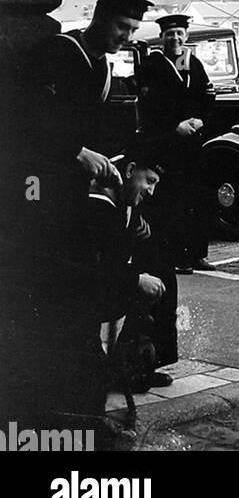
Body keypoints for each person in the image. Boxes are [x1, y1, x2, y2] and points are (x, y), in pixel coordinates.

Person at [1, 0, 152, 436]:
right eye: (122, 27)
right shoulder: (58, 52)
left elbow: (95, 128)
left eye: (132, 29)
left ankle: (80, 411)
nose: (126, 37)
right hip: (33, 191)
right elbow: (24, 118)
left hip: (68, 195)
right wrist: (77, 153)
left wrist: (114, 166)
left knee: (75, 300)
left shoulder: (103, 66)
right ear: (101, 18)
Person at [88, 138, 179, 395]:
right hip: (80, 289)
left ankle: (137, 365)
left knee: (163, 273)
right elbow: (95, 265)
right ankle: (114, 368)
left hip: (106, 280)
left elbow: (137, 241)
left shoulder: (126, 198)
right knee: (145, 284)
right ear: (130, 171)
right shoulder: (99, 201)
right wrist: (137, 279)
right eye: (148, 181)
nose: (151, 191)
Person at [136, 14, 215, 272]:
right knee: (173, 201)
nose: (175, 38)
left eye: (180, 33)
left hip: (193, 144)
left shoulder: (195, 64)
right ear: (163, 37)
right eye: (170, 34)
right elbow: (150, 107)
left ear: (187, 36)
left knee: (198, 197)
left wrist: (201, 120)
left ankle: (197, 254)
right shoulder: (152, 65)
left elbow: (207, 97)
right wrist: (174, 127)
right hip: (168, 145)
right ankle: (177, 257)